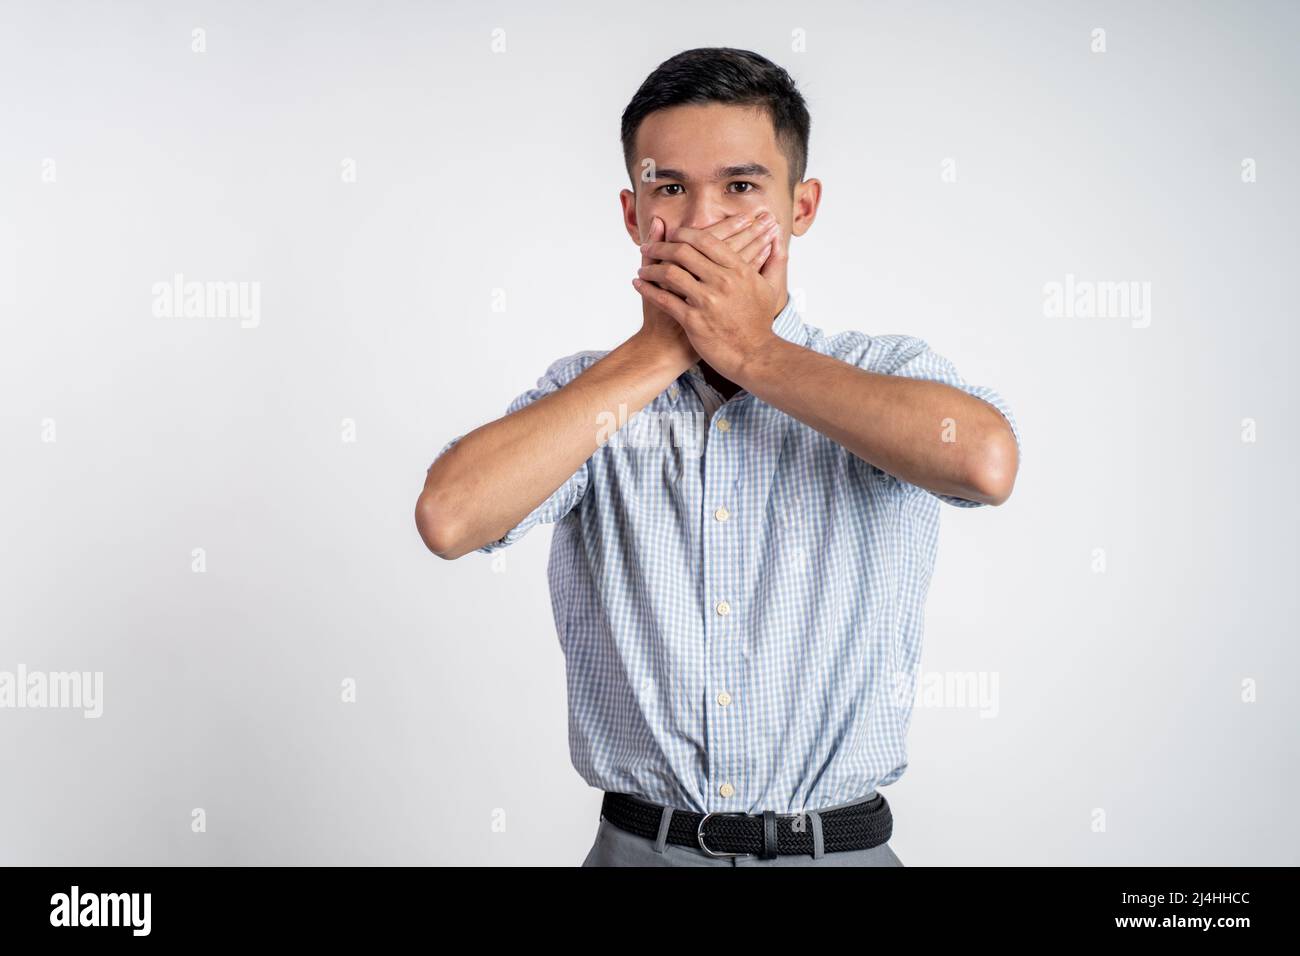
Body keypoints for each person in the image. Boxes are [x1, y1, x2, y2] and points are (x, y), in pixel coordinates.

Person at [416, 47, 1021, 867]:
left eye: (741, 187)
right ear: (633, 215)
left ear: (800, 205)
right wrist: (660, 352)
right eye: (671, 188)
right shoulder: (583, 398)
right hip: (640, 851)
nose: (702, 222)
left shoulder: (881, 374)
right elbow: (451, 517)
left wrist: (754, 353)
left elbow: (986, 462)